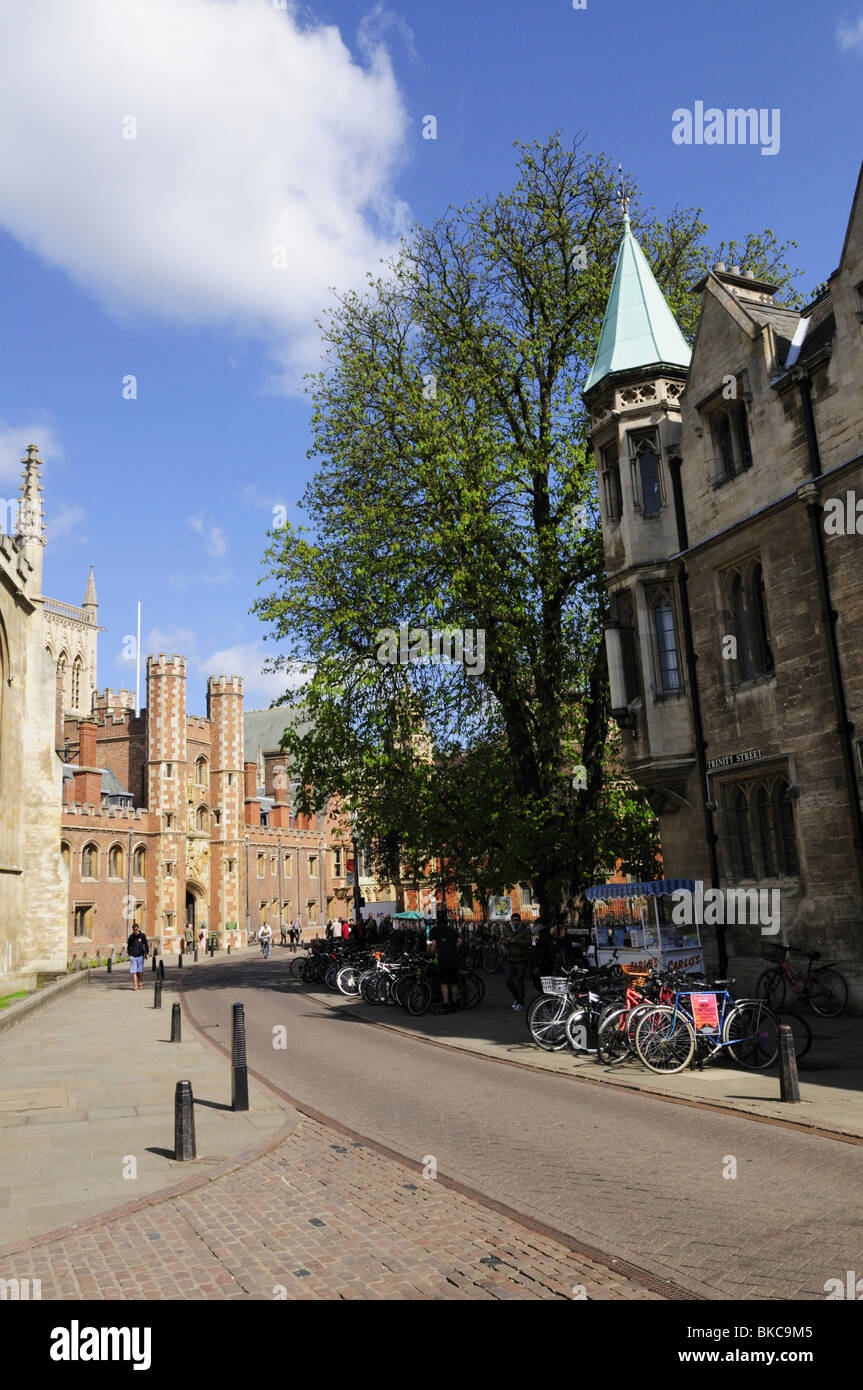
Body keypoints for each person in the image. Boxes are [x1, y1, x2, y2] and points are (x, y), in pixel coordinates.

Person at [429, 914, 461, 1013]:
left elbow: (434, 945)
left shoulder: (434, 930)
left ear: (437, 922)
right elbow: (460, 941)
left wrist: (432, 952)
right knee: (453, 982)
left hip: (443, 956)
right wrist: (454, 947)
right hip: (453, 956)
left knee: (444, 982)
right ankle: (454, 1004)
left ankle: (446, 1005)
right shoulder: (452, 929)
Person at [502, 912, 533, 1011]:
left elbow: (528, 943)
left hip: (520, 959)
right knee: (508, 980)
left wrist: (517, 941)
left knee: (519, 982)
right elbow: (502, 940)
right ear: (511, 921)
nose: (515, 922)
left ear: (520, 921)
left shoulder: (525, 930)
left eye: (517, 920)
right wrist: (505, 942)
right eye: (514, 920)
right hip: (509, 959)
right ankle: (517, 998)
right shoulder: (506, 929)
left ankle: (521, 1003)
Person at [127, 923, 149, 991]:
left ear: (138, 928)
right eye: (134, 930)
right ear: (133, 930)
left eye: (136, 929)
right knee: (134, 971)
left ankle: (140, 983)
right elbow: (128, 946)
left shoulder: (142, 936)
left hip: (140, 956)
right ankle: (135, 985)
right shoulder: (131, 937)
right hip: (133, 956)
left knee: (140, 971)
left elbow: (146, 944)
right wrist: (130, 954)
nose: (135, 931)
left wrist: (147, 953)